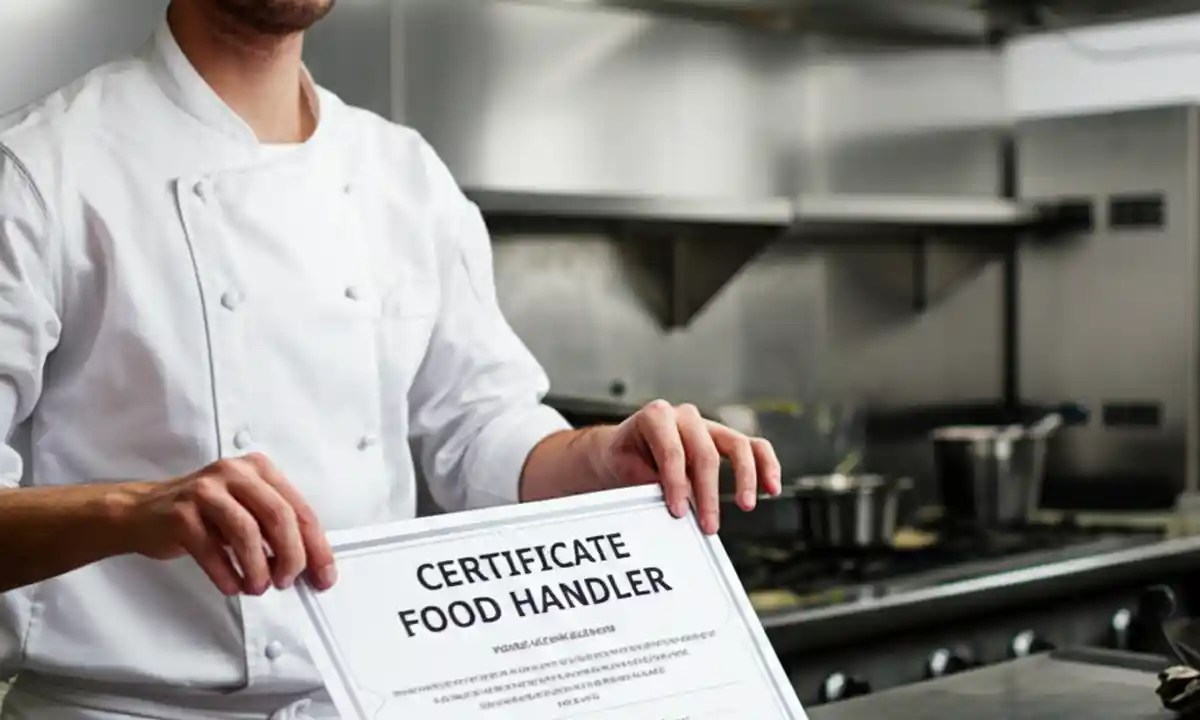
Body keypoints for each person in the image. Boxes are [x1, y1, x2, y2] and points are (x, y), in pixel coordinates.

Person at [0, 1, 782, 717]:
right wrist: (131, 512)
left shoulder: (401, 175)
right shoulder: (42, 172)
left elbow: (484, 432)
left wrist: (603, 455)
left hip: (366, 701)